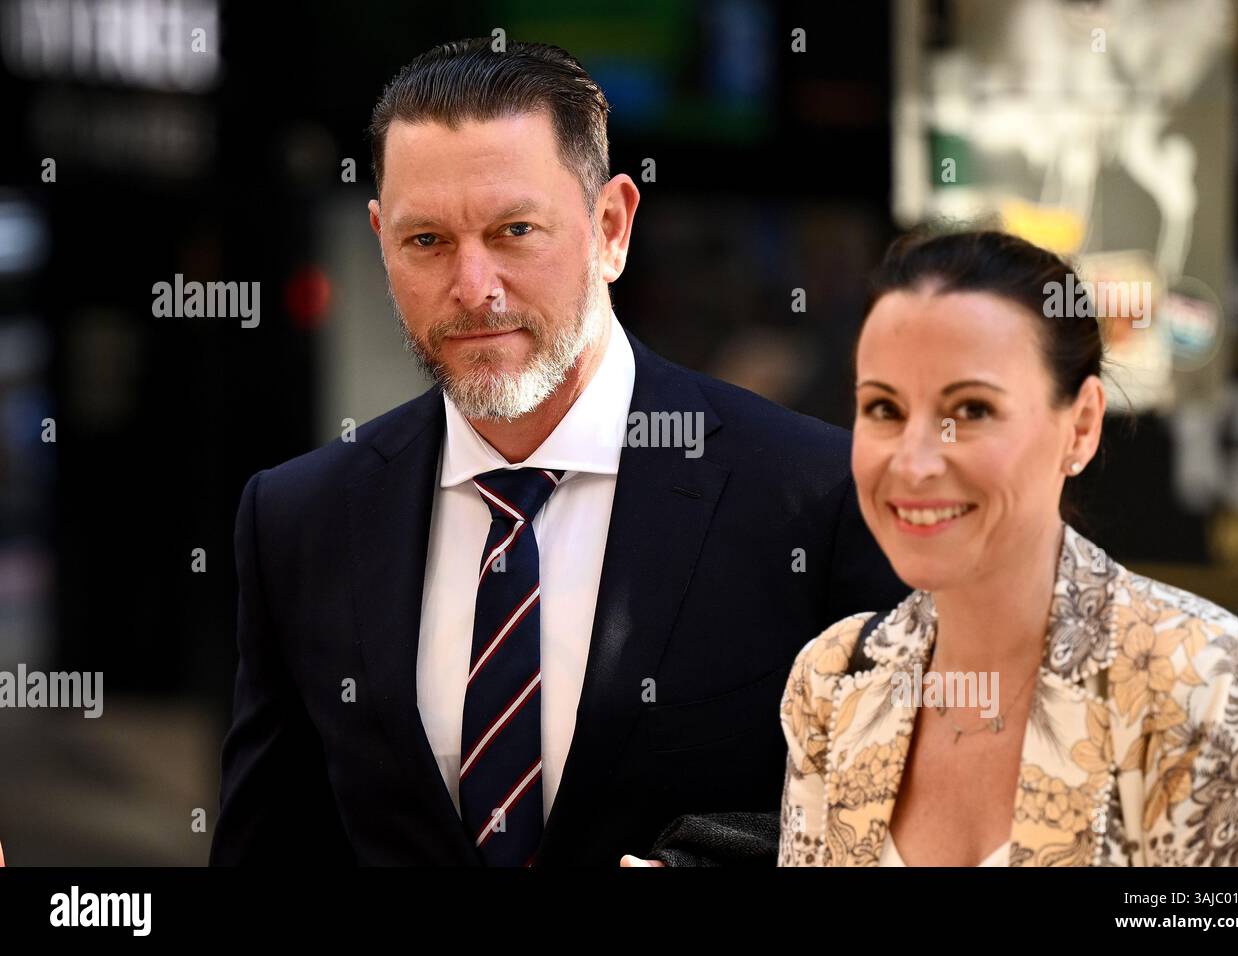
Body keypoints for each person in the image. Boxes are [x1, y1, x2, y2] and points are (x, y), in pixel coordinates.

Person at [208, 39, 907, 867]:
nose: (474, 288)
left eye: (515, 230)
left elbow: (910, 826)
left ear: (610, 226)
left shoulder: (817, 496)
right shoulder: (299, 518)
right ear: (379, 240)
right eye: (426, 241)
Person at [778, 229, 1238, 867]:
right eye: (883, 408)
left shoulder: (1204, 679)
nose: (913, 463)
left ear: (1080, 427)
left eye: (970, 409)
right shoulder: (833, 681)